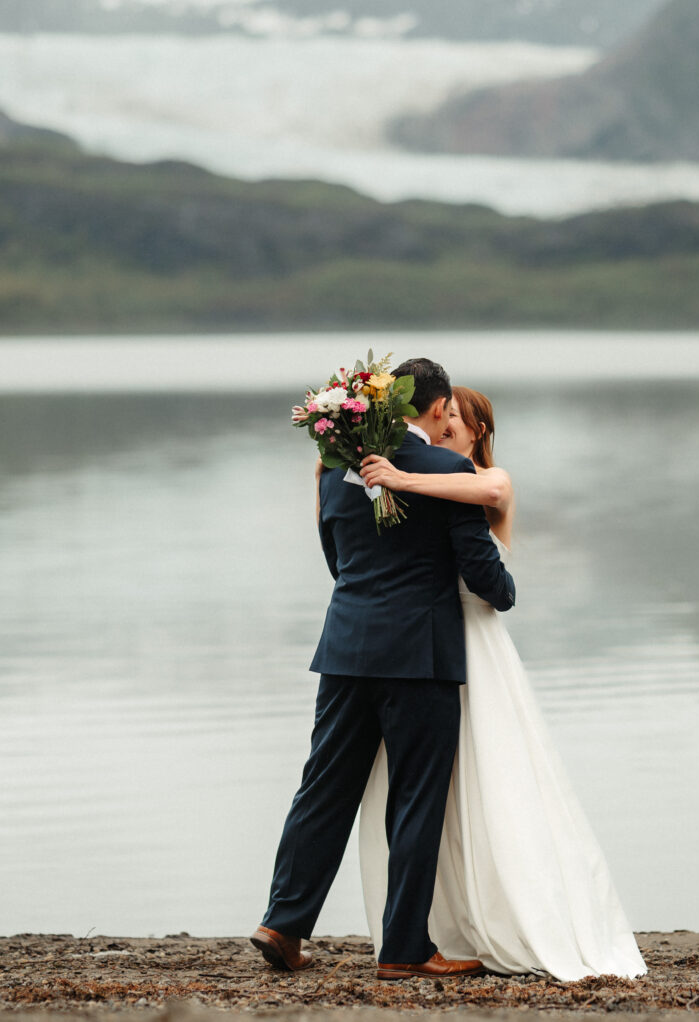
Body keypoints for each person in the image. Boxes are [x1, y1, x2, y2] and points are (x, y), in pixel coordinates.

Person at [356, 386, 647, 981]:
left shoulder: (483, 479)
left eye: (456, 423)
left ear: (478, 431)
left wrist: (403, 481)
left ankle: (507, 912)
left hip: (479, 645)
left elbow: (487, 492)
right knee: (429, 792)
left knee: (496, 777)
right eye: (444, 421)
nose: (444, 432)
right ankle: (437, 922)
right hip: (428, 647)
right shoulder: (438, 477)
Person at [254, 359, 516, 982]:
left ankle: (283, 922)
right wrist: (506, 590)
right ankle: (403, 948)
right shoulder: (450, 471)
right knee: (415, 799)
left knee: (323, 788)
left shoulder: (335, 467)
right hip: (419, 656)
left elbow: (335, 557)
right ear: (436, 408)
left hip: (346, 648)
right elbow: (483, 574)